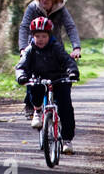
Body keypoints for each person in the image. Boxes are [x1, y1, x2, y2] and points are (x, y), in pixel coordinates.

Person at [17, 0, 81, 116]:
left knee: (60, 79)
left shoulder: (61, 9)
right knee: (32, 75)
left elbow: (70, 27)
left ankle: (58, 109)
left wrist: (76, 47)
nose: (44, 0)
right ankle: (31, 104)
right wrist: (23, 48)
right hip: (34, 46)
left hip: (54, 46)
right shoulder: (33, 7)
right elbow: (24, 27)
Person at [15, 16, 80, 154]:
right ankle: (37, 111)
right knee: (34, 88)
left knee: (65, 108)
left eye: (44, 36)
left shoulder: (56, 47)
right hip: (39, 79)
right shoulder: (30, 50)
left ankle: (67, 140)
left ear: (49, 36)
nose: (40, 39)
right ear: (32, 36)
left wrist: (72, 72)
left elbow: (68, 61)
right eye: (37, 36)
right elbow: (21, 66)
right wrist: (21, 76)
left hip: (59, 79)